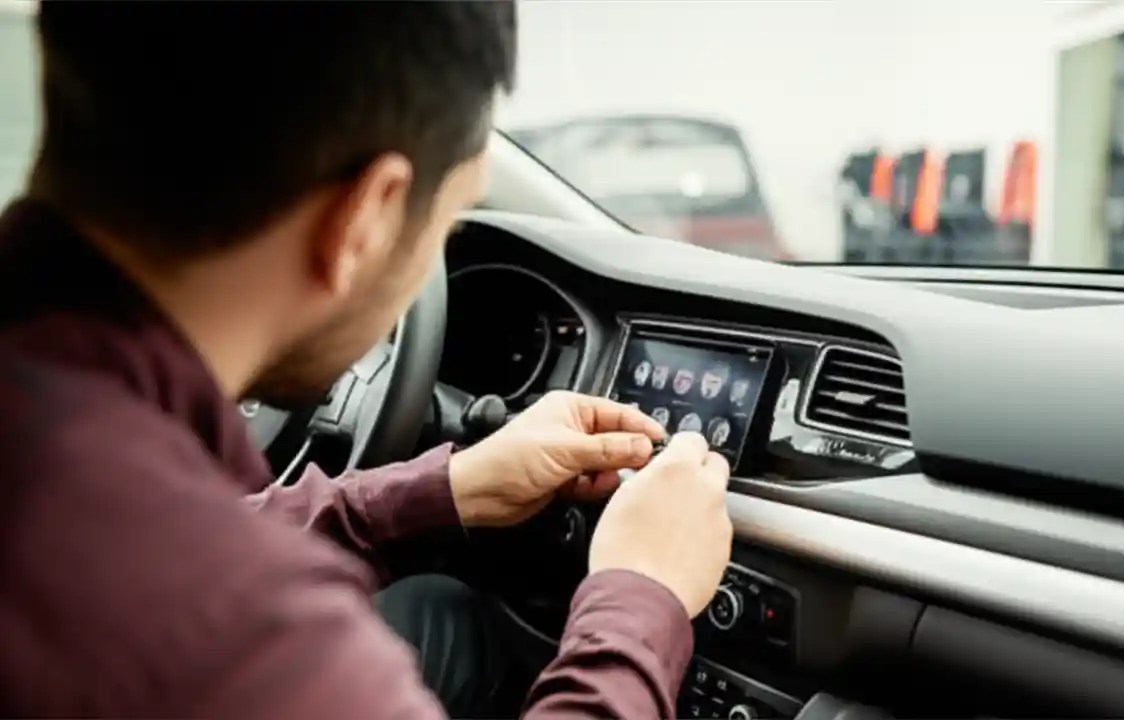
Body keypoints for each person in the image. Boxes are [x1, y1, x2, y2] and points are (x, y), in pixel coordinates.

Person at [0, 3, 733, 719]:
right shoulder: (238, 642)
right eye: (442, 226)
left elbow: (157, 562)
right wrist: (640, 599)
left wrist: (447, 487)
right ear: (367, 217)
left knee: (443, 616)